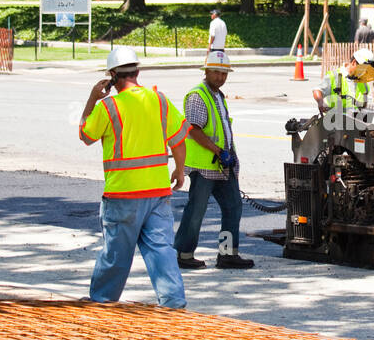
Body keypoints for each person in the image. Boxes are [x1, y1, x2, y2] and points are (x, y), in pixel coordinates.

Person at [79, 46, 189, 307]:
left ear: (113, 77)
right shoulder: (158, 100)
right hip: (157, 193)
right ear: (137, 71)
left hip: (123, 195)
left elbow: (85, 135)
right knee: (161, 250)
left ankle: (102, 301)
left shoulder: (109, 107)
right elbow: (179, 139)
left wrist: (92, 98)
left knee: (116, 254)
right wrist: (180, 170)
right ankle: (173, 303)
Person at [174, 51, 254, 270]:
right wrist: (219, 151)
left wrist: (229, 155)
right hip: (204, 165)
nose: (221, 77)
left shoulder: (218, 95)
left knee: (233, 207)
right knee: (196, 210)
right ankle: (183, 253)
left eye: (224, 73)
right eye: (217, 72)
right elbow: (193, 130)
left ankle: (227, 255)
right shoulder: (198, 95)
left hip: (221, 165)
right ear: (206, 71)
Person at [313, 48, 374, 116]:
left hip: (355, 122)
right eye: (363, 69)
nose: (364, 72)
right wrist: (320, 102)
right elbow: (318, 90)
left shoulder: (362, 81)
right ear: (354, 62)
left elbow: (364, 104)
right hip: (334, 121)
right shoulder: (335, 76)